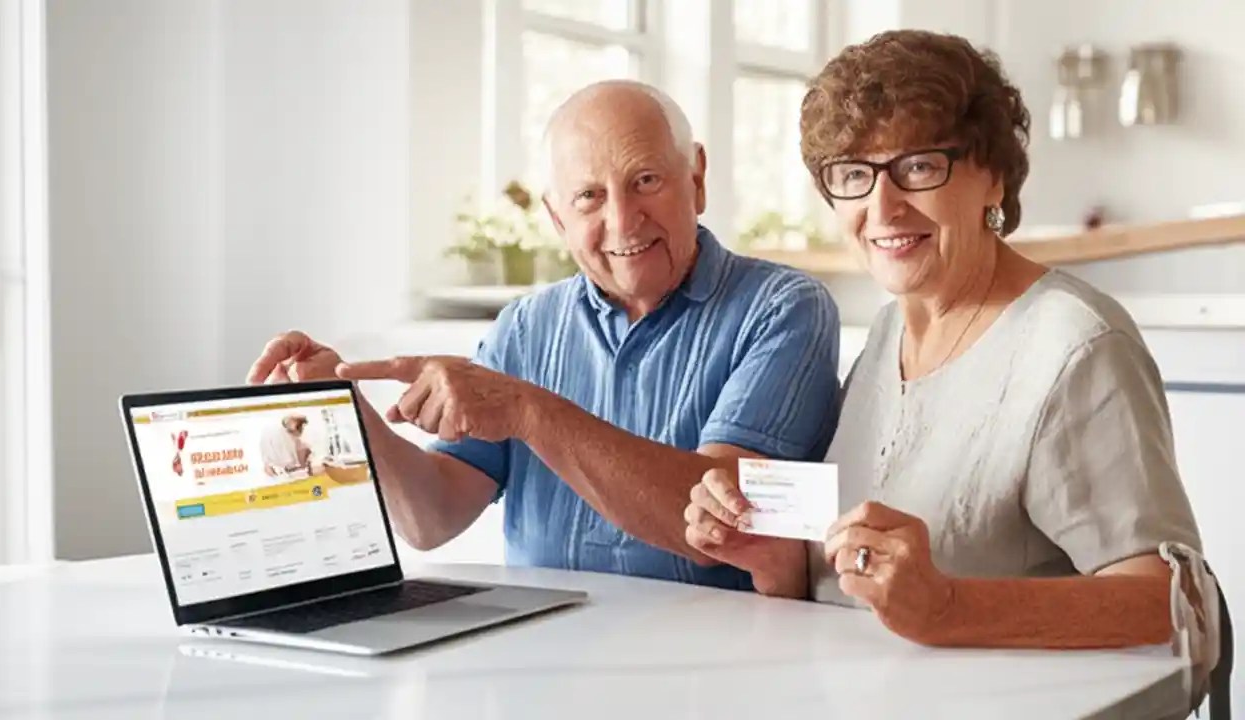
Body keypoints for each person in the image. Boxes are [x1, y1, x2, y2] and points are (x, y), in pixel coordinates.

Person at [683, 29, 1219, 703]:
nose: (882, 207)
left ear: (992, 172)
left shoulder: (1075, 345)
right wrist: (775, 558)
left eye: (917, 166)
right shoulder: (890, 329)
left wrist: (949, 608)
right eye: (853, 173)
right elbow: (871, 591)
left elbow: (1170, 606)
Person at [247, 80, 842, 591]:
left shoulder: (784, 309)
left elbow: (725, 522)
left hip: (712, 658)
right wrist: (341, 410)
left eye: (646, 180)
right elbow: (432, 520)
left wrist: (527, 411)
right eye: (590, 196)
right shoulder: (527, 327)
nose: (622, 219)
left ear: (697, 177)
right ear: (558, 218)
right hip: (541, 651)